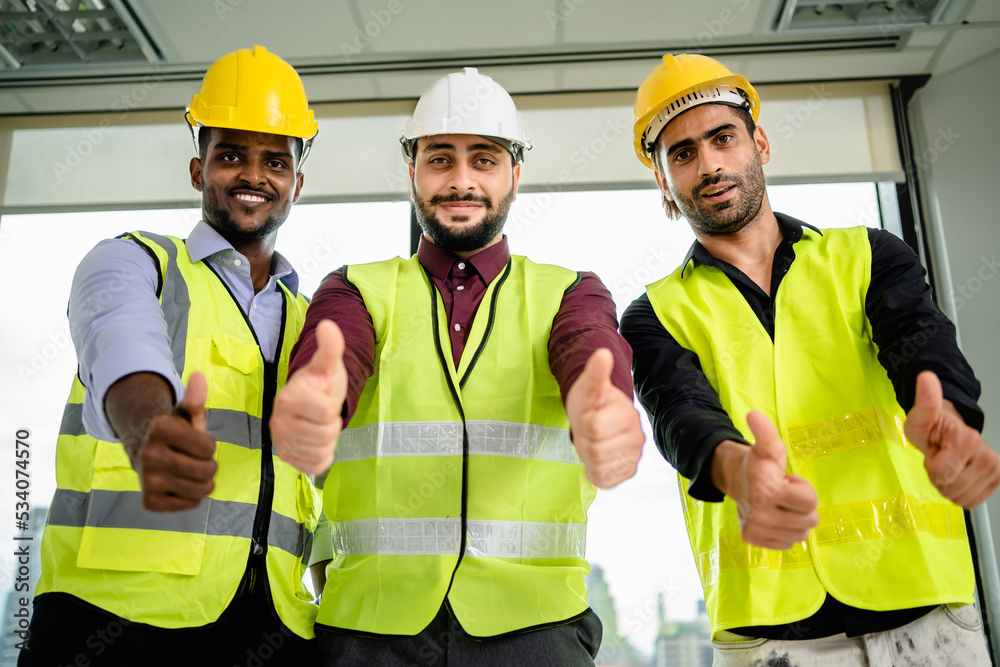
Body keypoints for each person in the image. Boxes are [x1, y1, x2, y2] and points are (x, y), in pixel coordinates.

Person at [621, 52, 1000, 666]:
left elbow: (919, 339)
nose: (710, 164)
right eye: (683, 154)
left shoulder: (870, 256)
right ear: (663, 180)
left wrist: (949, 416)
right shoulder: (654, 312)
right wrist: (737, 470)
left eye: (723, 138)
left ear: (759, 142)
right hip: (772, 633)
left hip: (925, 610)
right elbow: (679, 411)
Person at [268, 67, 645, 666]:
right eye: (440, 159)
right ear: (412, 172)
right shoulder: (354, 289)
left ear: (515, 177)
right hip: (370, 631)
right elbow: (333, 356)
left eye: (485, 160)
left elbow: (588, 349)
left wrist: (601, 408)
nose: (461, 181)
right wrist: (316, 399)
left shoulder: (570, 292)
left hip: (535, 629)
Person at [22, 45, 321, 666]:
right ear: (197, 169)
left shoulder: (312, 318)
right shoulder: (135, 261)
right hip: (113, 623)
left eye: (275, 161)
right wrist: (150, 431)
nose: (252, 176)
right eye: (230, 155)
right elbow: (120, 338)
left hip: (271, 627)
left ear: (298, 181)